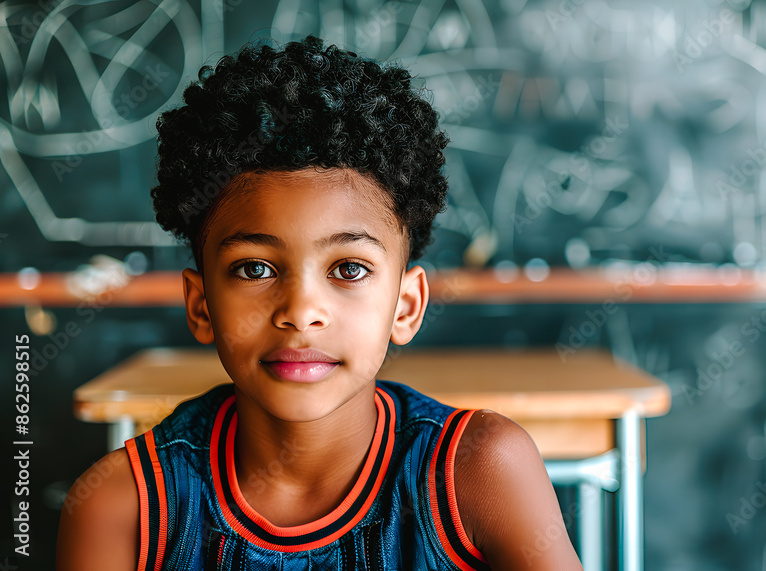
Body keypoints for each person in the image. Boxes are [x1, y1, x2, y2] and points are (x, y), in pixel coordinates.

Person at [56, 35, 582, 571]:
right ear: (201, 306)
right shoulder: (122, 507)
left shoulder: (479, 471)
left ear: (405, 306)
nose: (301, 311)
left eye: (348, 269)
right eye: (255, 269)